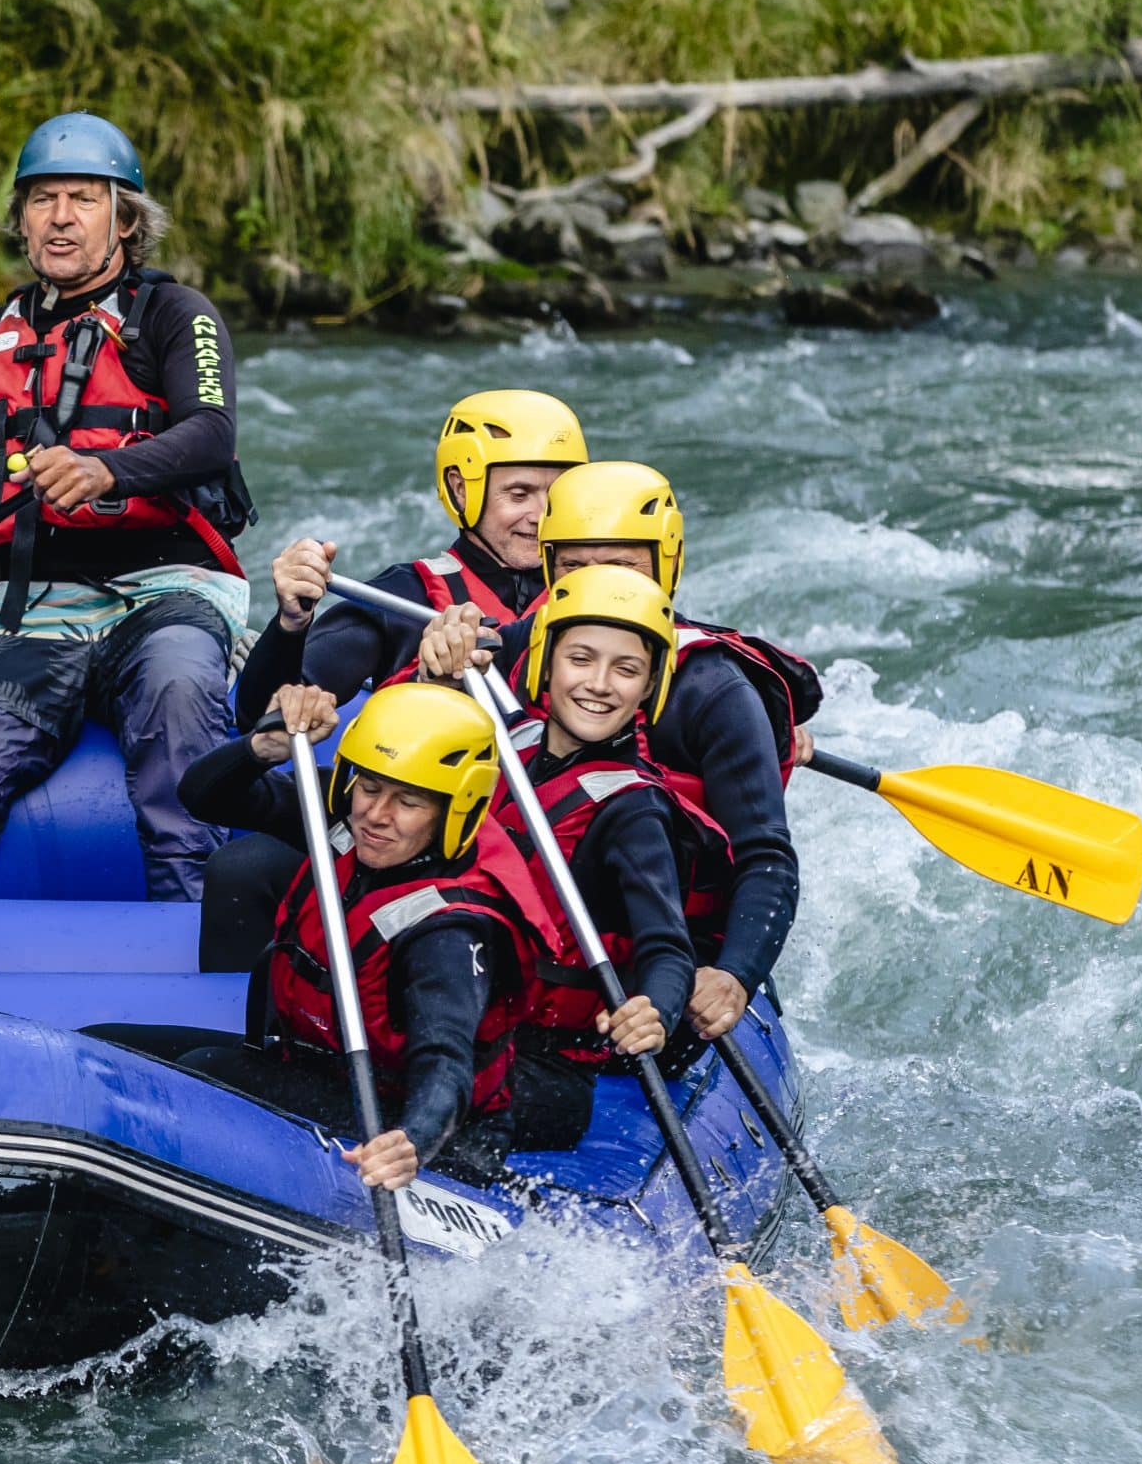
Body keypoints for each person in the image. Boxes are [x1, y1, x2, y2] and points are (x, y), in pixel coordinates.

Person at [0, 111, 256, 902]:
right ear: (21, 221)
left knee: (176, 693)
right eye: (41, 200)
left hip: (166, 594)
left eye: (82, 198)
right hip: (28, 611)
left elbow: (211, 434)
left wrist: (109, 471)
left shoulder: (178, 314)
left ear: (126, 222)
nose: (59, 216)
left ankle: (200, 935)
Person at [418, 462, 821, 1050]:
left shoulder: (716, 692)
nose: (599, 582)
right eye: (574, 567)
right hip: (526, 921)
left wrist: (734, 976)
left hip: (660, 944)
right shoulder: (522, 649)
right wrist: (436, 671)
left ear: (667, 563)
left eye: (622, 565)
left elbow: (766, 857)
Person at [174, 683, 556, 1189]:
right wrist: (261, 748)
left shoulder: (449, 932)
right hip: (319, 1070)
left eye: (408, 802)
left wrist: (412, 1141)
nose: (376, 816)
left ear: (452, 808)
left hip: (410, 1128)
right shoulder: (345, 817)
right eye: (370, 787)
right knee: (108, 1048)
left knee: (202, 1071)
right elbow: (201, 796)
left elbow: (445, 1063)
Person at [413, 564, 703, 1151]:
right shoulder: (504, 739)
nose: (598, 683)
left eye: (626, 670)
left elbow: (668, 947)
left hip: (542, 1066)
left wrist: (656, 1011)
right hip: (450, 1016)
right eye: (581, 659)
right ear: (546, 660)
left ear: (650, 687)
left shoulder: (633, 811)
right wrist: (434, 675)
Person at [233, 388, 585, 724]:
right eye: (519, 494)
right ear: (461, 490)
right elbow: (262, 715)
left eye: (556, 496)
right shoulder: (402, 597)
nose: (541, 516)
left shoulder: (596, 585)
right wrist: (290, 625)